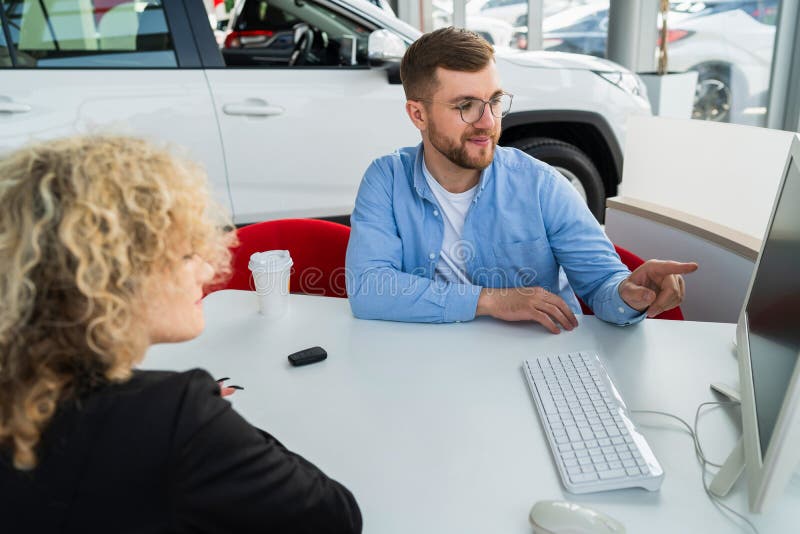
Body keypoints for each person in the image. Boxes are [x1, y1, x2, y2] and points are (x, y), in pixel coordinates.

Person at [0, 136, 362, 533]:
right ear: (111, 277)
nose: (209, 273)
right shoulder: (177, 413)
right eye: (187, 255)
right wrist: (212, 422)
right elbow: (335, 516)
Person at [345, 27, 697, 332]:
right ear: (418, 114)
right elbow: (369, 289)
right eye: (466, 105)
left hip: (536, 362)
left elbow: (603, 285)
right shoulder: (386, 179)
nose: (487, 121)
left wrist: (629, 293)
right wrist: (492, 300)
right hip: (427, 365)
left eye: (494, 101)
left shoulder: (541, 184)